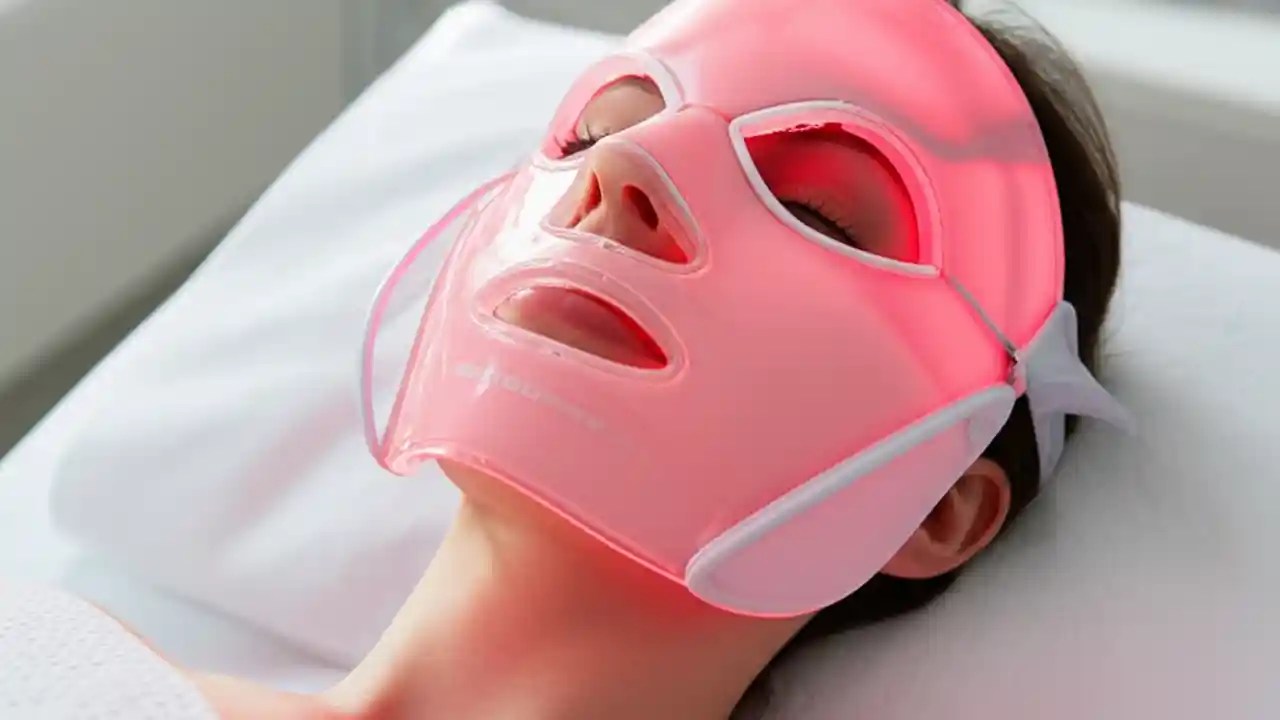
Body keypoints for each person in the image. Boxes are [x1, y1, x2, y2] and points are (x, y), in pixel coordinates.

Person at [1, 1, 1126, 718]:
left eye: (816, 212)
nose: (621, 177)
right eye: (596, 130)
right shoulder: (43, 664)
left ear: (935, 507)